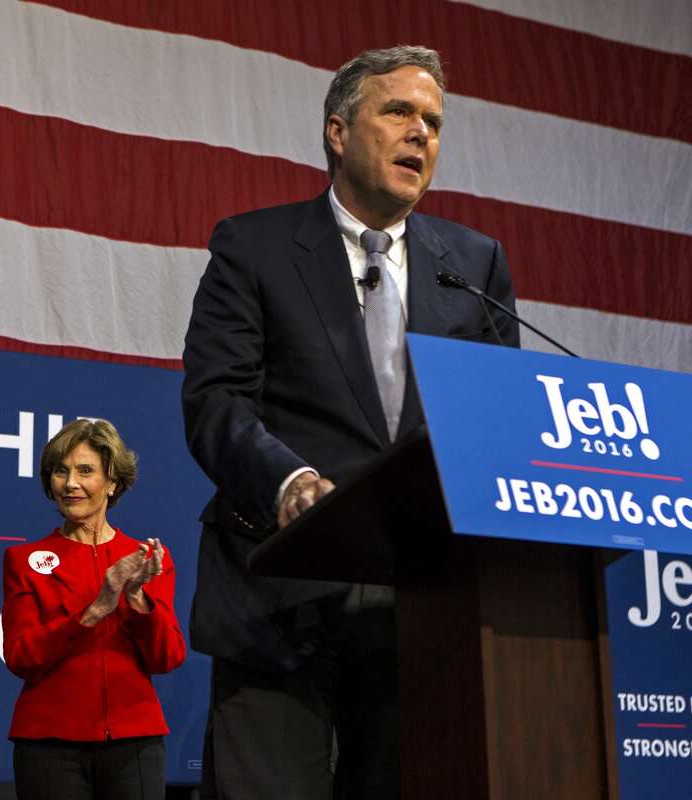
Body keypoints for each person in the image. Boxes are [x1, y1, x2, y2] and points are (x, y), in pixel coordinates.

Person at [182, 46, 520, 799]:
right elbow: (216, 401)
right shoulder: (254, 246)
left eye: (433, 121)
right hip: (279, 597)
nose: (421, 134)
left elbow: (496, 427)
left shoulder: (473, 265)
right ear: (338, 131)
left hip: (421, 616)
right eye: (398, 112)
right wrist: (289, 480)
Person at [1, 418, 187, 800]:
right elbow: (20, 655)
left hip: (135, 740)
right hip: (49, 744)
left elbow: (167, 657)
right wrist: (96, 609)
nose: (70, 483)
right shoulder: (24, 559)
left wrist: (136, 599)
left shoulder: (147, 559)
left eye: (85, 471)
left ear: (112, 482)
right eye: (60, 471)